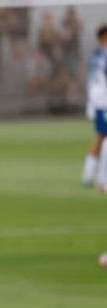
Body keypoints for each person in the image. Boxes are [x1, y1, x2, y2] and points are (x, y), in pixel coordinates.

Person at [83, 25, 107, 192]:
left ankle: (89, 174)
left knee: (100, 137)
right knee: (103, 138)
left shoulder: (97, 55)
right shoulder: (103, 55)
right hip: (103, 101)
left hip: (98, 101)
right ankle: (101, 179)